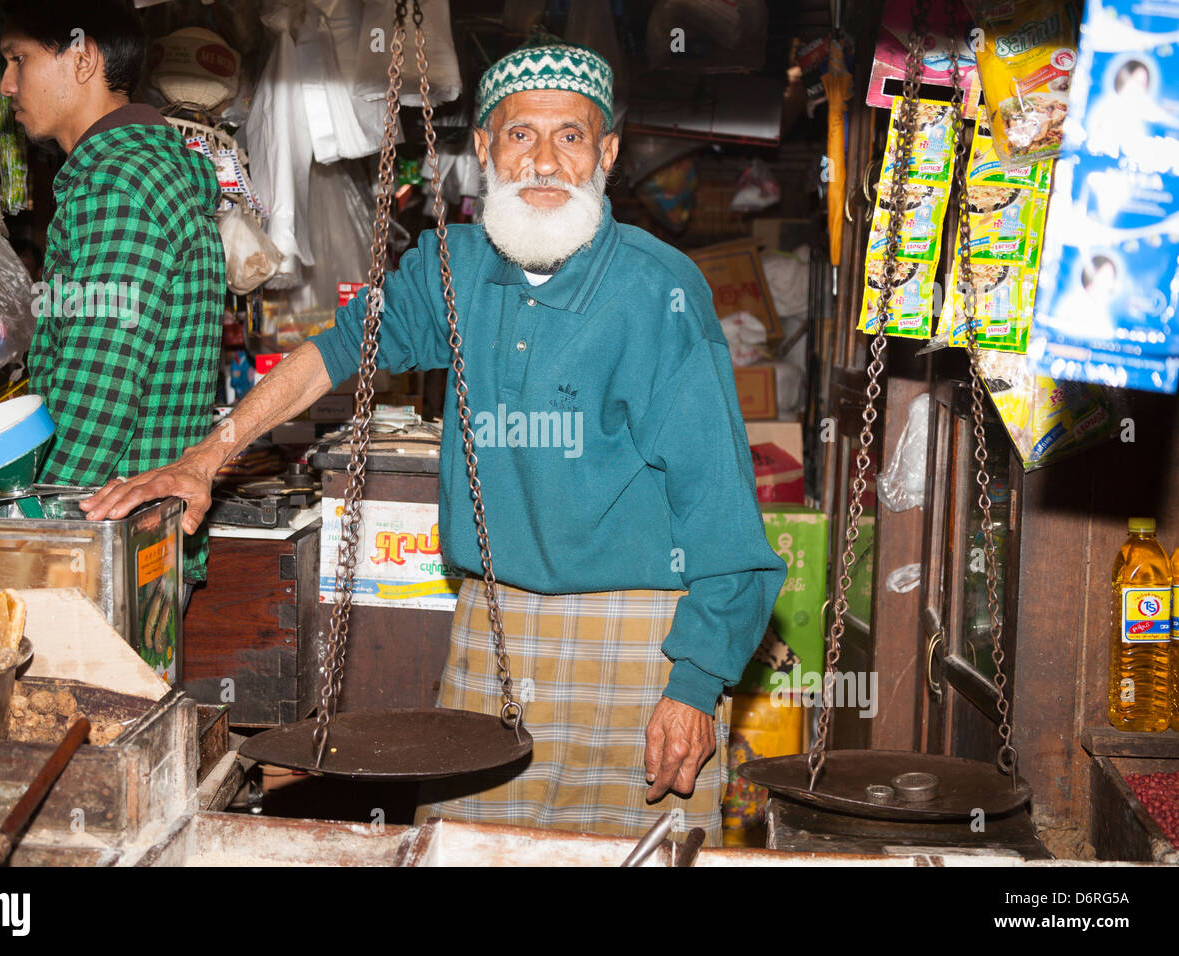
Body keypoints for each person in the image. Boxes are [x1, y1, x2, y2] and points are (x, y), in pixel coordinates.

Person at [83, 41, 786, 844]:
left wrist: (695, 686)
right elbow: (338, 350)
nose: (546, 162)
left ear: (608, 154)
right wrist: (206, 456)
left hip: (637, 644)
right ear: (483, 148)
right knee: (459, 854)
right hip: (494, 628)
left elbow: (723, 517)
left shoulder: (661, 292)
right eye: (521, 136)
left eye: (572, 136)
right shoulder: (452, 269)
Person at [0, 1, 223, 591]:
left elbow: (100, 389)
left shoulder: (117, 185)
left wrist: (31, 533)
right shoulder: (146, 172)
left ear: (83, 58)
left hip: (101, 542)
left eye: (18, 60)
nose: (6, 84)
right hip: (140, 537)